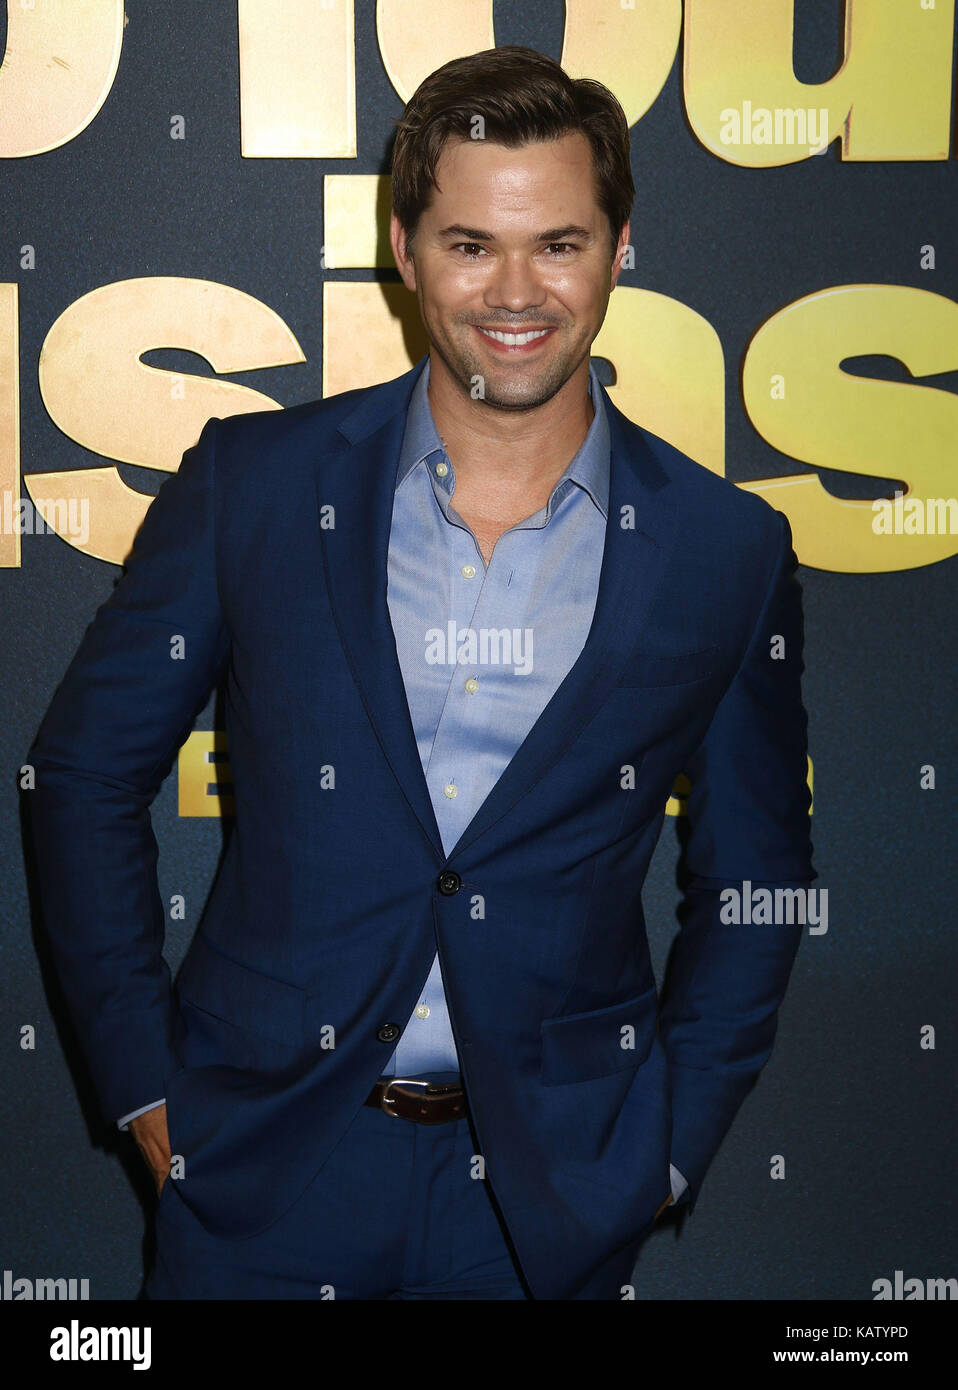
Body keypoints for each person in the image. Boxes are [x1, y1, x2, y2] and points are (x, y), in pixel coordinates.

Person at [27, 45, 814, 1300]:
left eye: (557, 242)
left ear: (621, 247)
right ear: (404, 249)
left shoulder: (724, 550)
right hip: (262, 1167)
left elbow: (760, 876)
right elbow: (79, 774)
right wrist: (143, 1088)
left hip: (547, 1203)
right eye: (469, 245)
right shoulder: (256, 487)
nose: (515, 291)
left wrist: (664, 1148)